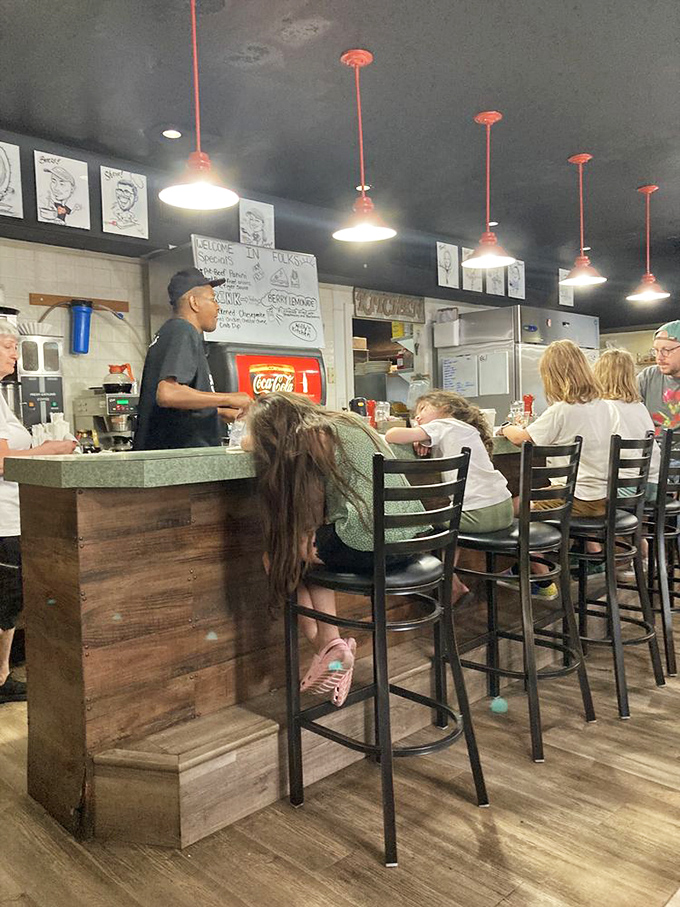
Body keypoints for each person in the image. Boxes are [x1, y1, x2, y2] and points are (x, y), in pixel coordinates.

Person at [245, 392, 427, 708]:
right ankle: (332, 648)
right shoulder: (347, 421)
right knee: (310, 552)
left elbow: (312, 512)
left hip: (371, 542)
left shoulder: (310, 436)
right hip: (412, 540)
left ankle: (330, 646)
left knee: (280, 554)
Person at [501, 340, 620, 593]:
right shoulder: (606, 407)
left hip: (576, 501)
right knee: (534, 504)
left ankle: (542, 579)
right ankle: (533, 566)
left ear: (552, 376)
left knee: (506, 508)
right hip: (605, 498)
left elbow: (521, 438)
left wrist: (505, 427)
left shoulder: (562, 410)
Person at [0, 320, 77, 704]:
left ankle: (0, 677)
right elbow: (0, 461)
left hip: (12, 512)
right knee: (6, 600)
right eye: (10, 346)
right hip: (3, 517)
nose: (17, 354)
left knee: (9, 601)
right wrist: (51, 451)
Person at [385, 390, 513, 602]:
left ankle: (447, 583)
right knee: (454, 519)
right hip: (504, 510)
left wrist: (420, 432)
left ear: (445, 408)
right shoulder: (467, 429)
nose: (417, 416)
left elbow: (392, 435)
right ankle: (452, 582)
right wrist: (424, 436)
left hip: (479, 516)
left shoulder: (443, 425)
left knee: (425, 523)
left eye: (423, 409)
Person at [134, 268, 251, 450]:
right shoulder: (183, 330)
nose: (218, 306)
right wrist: (229, 398)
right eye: (212, 299)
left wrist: (218, 412)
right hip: (177, 466)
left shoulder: (169, 332)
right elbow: (168, 394)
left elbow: (172, 411)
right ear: (194, 302)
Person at [593, 348, 660, 499]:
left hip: (623, 487)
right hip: (650, 485)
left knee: (574, 494)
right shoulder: (639, 407)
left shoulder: (604, 408)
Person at [638, 321, 680, 434]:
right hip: (652, 449)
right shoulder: (648, 377)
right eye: (656, 351)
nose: (659, 357)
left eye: (666, 350)